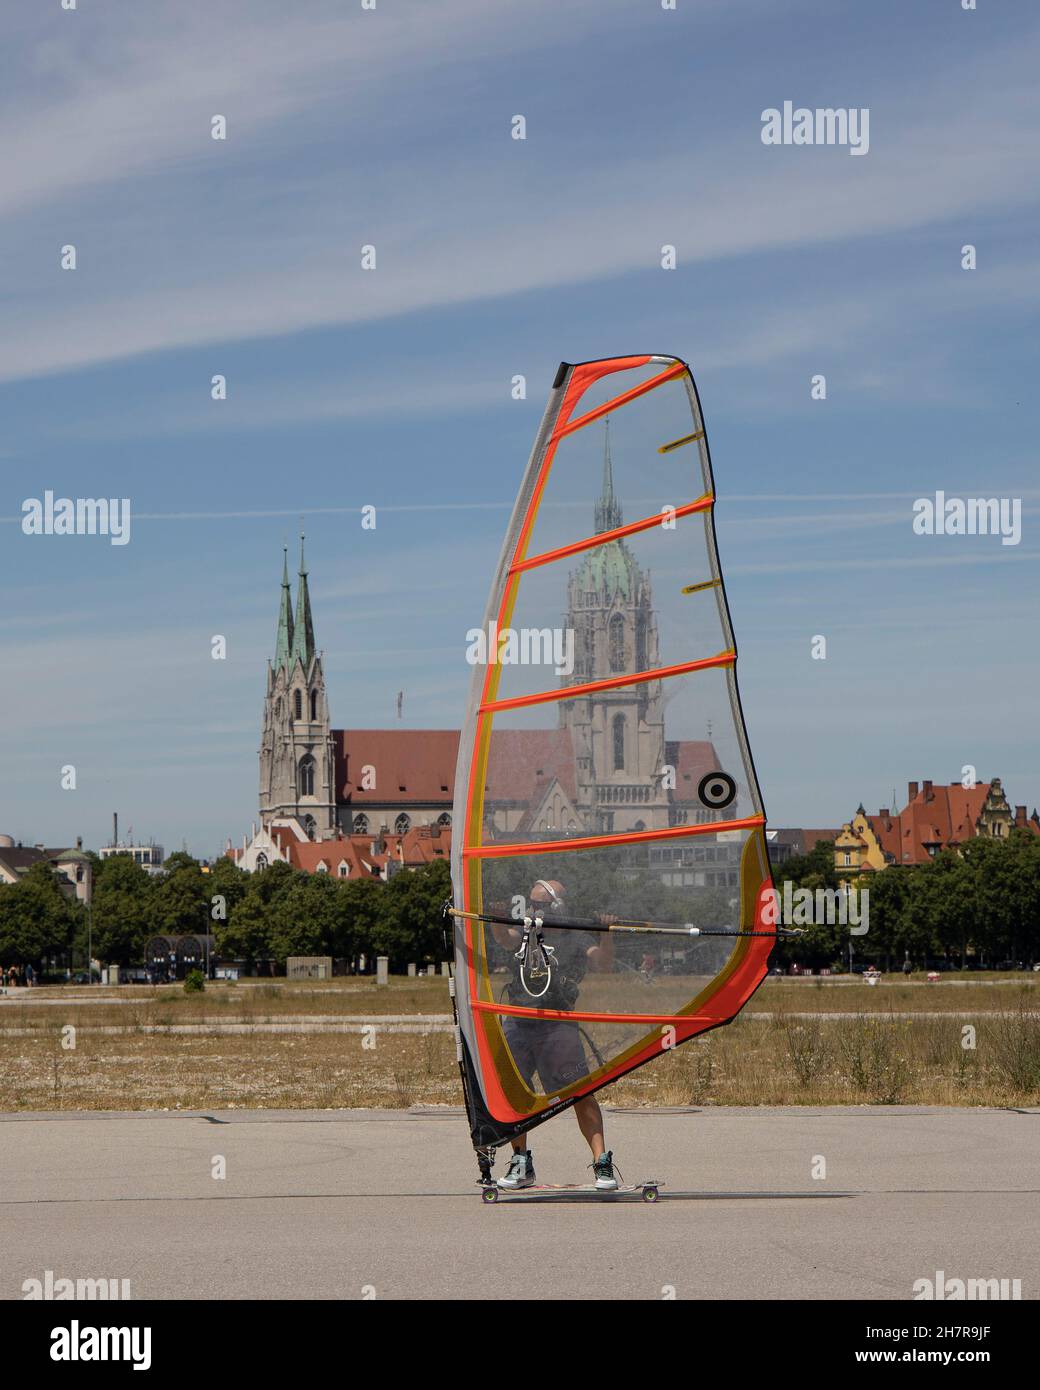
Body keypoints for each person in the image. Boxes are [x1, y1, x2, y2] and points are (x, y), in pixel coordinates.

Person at [491, 879, 618, 1191]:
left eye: (542, 906)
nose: (535, 911)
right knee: (515, 1093)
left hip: (557, 1025)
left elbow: (603, 964)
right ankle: (521, 1161)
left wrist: (607, 934)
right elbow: (504, 939)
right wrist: (497, 916)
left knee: (579, 1093)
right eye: (532, 905)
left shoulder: (576, 938)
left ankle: (602, 1163)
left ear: (558, 908)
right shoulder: (526, 931)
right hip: (519, 1022)